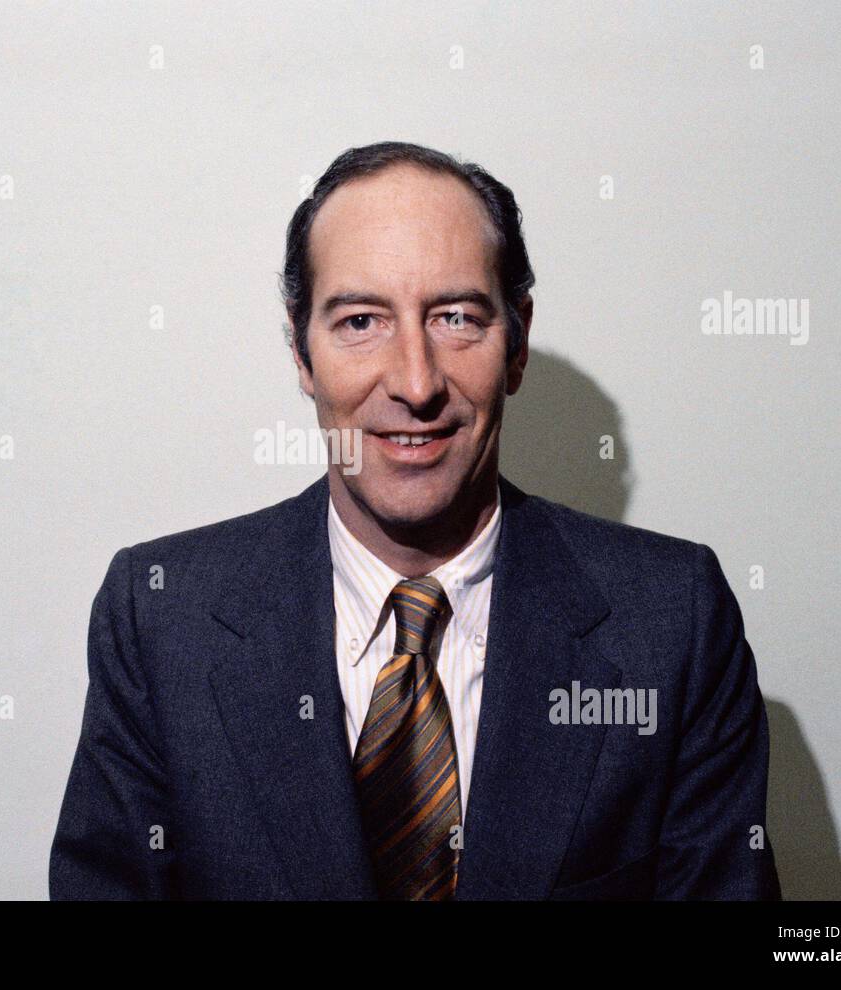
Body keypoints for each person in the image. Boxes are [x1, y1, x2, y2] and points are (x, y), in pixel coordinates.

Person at [49, 141, 781, 900]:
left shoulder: (673, 621)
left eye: (456, 317)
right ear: (301, 352)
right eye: (362, 320)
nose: (415, 381)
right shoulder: (160, 617)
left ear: (518, 342)